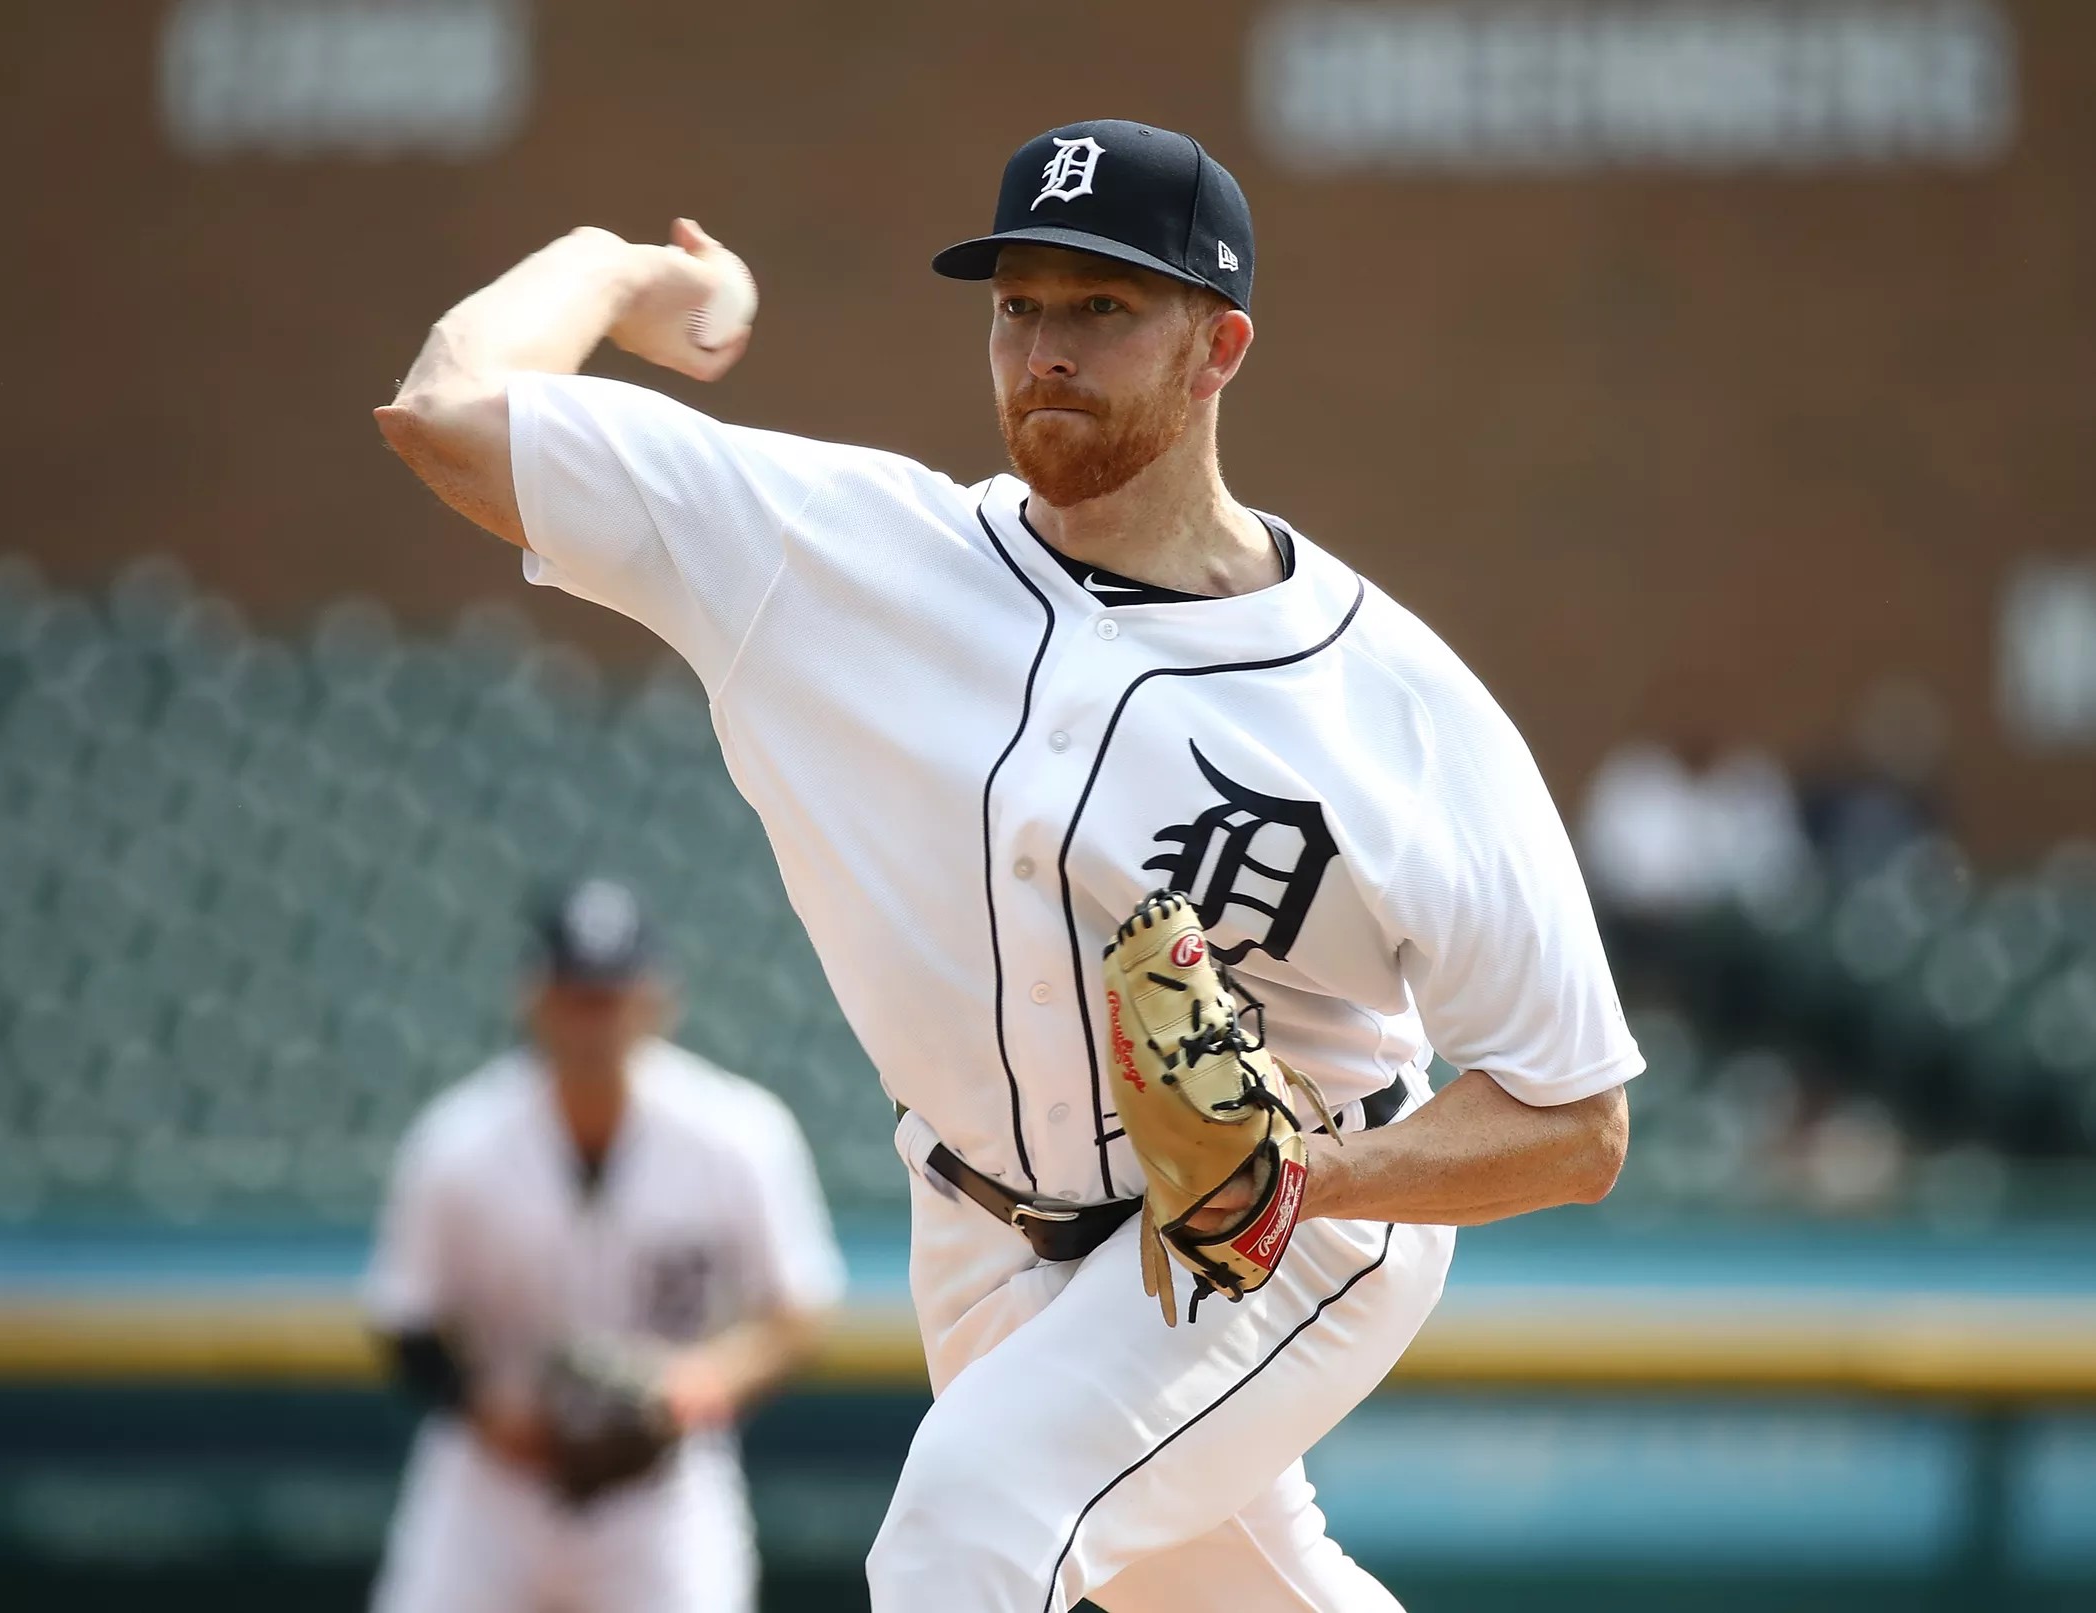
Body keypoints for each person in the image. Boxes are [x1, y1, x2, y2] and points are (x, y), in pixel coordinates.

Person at [374, 120, 1639, 1612]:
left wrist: (1313, 1178)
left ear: (1218, 346)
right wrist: (613, 268)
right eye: (1018, 302)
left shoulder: (1400, 706)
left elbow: (1578, 1125)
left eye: (1103, 307)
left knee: (962, 1534)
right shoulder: (830, 554)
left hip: (1281, 1247)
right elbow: (446, 415)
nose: (1046, 345)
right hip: (973, 1231)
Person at [364, 877, 844, 1613]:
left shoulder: (739, 1134)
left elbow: (799, 1308)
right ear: (534, 996)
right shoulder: (455, 1143)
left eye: (611, 993)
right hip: (491, 1491)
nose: (594, 1019)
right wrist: (492, 1412)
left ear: (657, 998)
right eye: (575, 993)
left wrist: (702, 1379)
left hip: (663, 1486)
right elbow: (406, 1318)